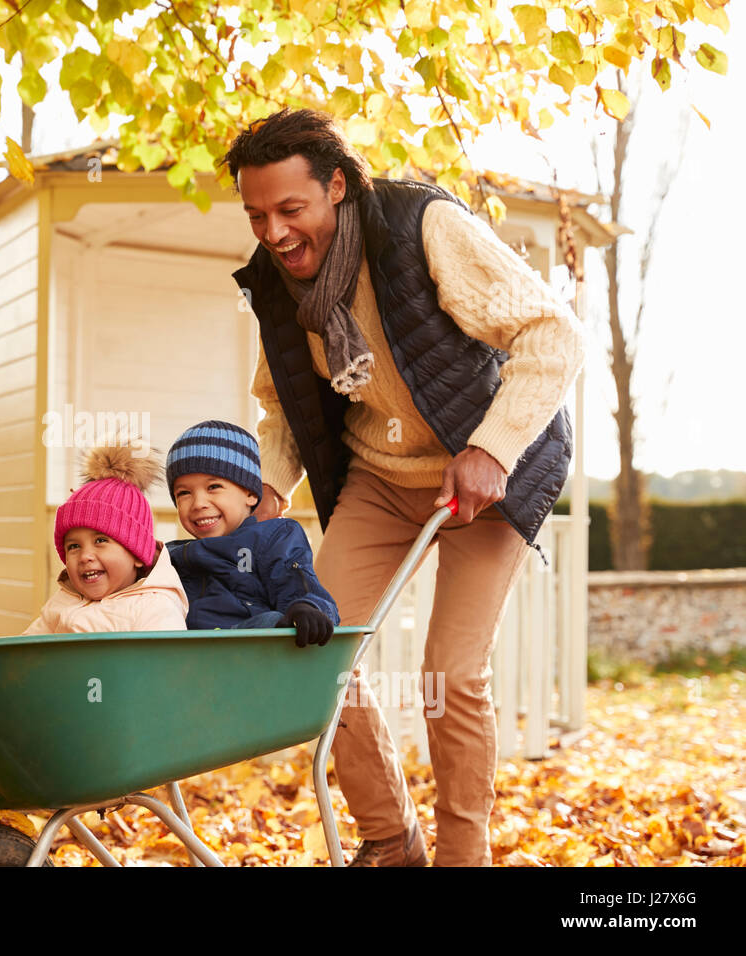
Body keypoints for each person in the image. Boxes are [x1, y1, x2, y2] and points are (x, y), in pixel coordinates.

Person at [221, 108, 585, 866]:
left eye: (292, 210)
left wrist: (491, 447)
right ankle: (393, 841)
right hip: (382, 480)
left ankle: (462, 852)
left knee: (449, 672)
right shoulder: (275, 284)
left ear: (340, 186)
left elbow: (553, 334)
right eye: (258, 216)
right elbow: (284, 405)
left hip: (485, 475)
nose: (276, 233)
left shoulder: (424, 226)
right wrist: (268, 487)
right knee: (310, 650)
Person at [164, 421, 339, 647]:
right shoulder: (171, 556)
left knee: (272, 621)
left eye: (213, 487)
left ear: (250, 494)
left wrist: (306, 607)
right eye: (184, 493)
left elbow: (296, 581)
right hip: (191, 657)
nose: (198, 503)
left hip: (254, 653)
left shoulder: (271, 538)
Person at [23, 444, 188, 635]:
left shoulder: (154, 606)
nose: (85, 556)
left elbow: (159, 660)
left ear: (136, 554)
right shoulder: (63, 600)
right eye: (74, 546)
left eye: (100, 541)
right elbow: (26, 652)